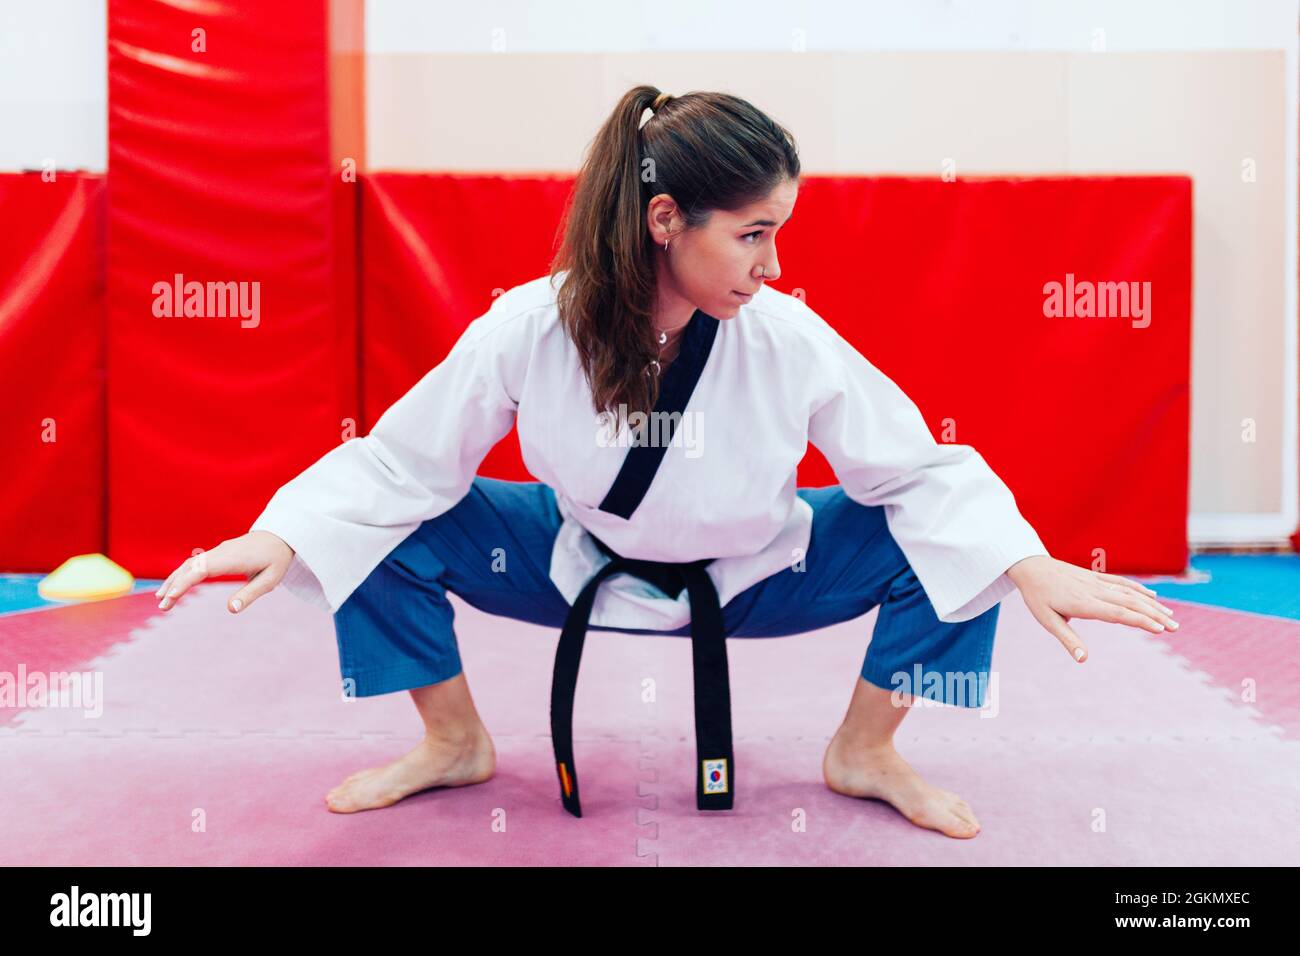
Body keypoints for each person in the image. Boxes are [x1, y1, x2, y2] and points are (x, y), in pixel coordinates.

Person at [155, 85, 1178, 839]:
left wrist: (1025, 558)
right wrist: (279, 533)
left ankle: (864, 747)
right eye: (752, 235)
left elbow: (920, 471)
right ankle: (453, 739)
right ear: (664, 221)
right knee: (371, 522)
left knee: (954, 537)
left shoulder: (788, 337)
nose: (773, 265)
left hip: (761, 574)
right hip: (574, 562)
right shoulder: (531, 325)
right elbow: (397, 464)